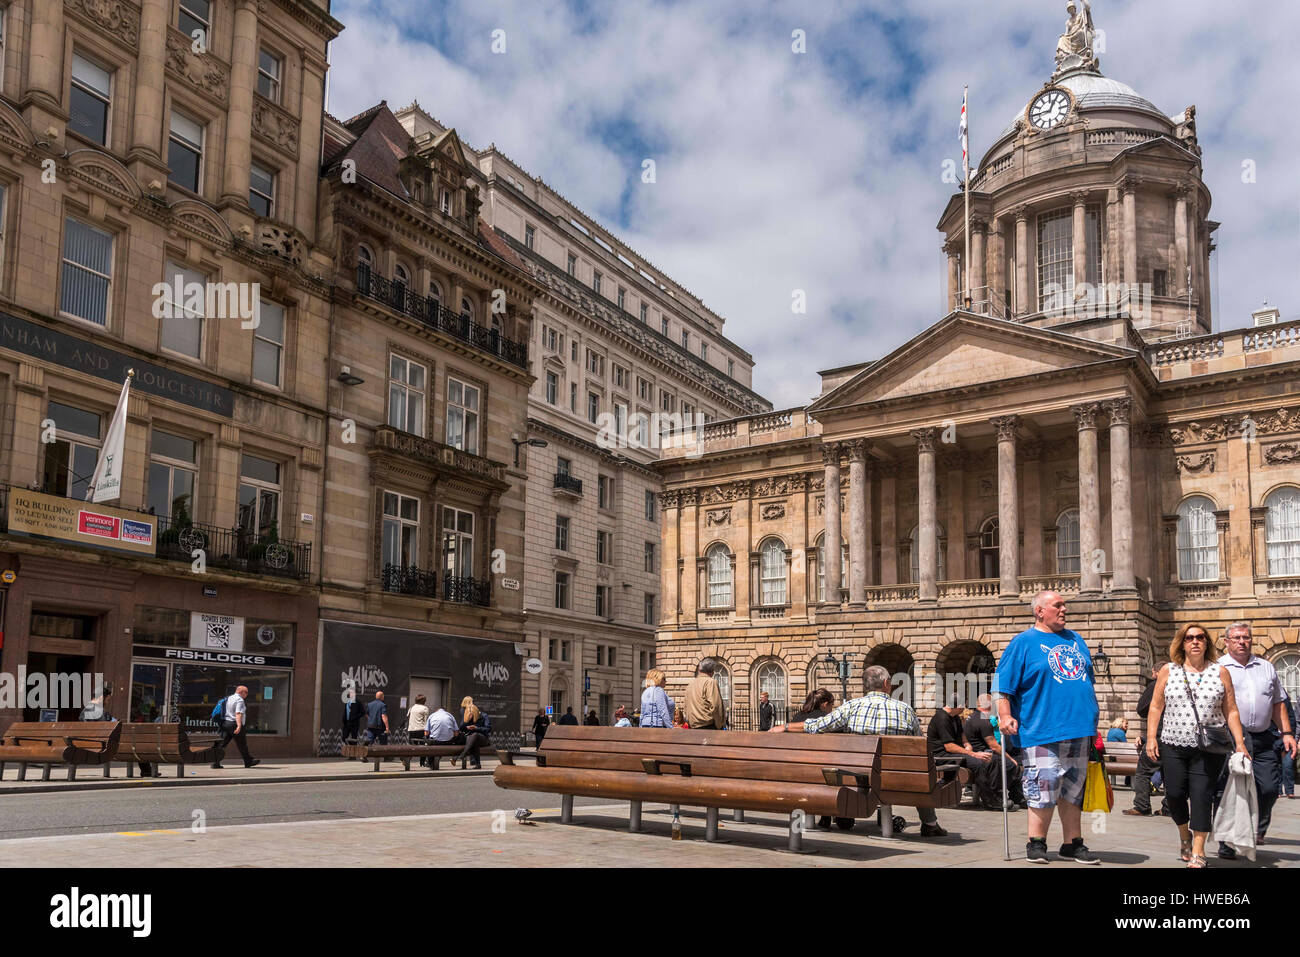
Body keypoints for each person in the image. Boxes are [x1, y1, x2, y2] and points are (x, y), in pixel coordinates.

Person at [773, 665, 948, 837]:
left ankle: (845, 816)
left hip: (859, 777)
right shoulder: (905, 710)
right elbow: (920, 746)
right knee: (920, 771)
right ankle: (930, 824)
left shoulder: (851, 707)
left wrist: (785, 726)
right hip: (898, 779)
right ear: (886, 683)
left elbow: (818, 725)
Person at [993, 590, 1100, 864]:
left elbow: (1085, 680)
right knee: (1044, 783)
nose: (1064, 609)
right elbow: (1002, 688)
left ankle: (1072, 843)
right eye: (1058, 605)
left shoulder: (1077, 640)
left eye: (1064, 605)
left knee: (1073, 788)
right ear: (1040, 611)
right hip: (1041, 729)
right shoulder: (1023, 643)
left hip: (1080, 728)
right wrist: (1005, 716)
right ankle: (1036, 842)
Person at [1145, 623, 1249, 868]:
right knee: (1174, 794)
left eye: (1200, 637)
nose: (1195, 641)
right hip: (1173, 743)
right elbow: (1156, 706)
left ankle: (1198, 851)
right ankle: (1184, 835)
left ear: (1207, 643)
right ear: (1182, 643)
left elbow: (1231, 710)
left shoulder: (1220, 671)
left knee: (1202, 796)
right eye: (1189, 638)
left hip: (1208, 747)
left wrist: (1241, 743)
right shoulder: (1169, 671)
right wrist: (1151, 737)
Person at [1214, 622, 1297, 859]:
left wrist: (1288, 733)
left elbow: (1277, 702)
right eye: (1237, 638)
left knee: (1270, 788)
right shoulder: (1218, 667)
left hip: (1262, 737)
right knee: (1228, 790)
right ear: (1226, 641)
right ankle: (1227, 841)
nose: (1242, 641)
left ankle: (1255, 828)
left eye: (1246, 637)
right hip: (1230, 737)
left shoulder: (1266, 667)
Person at [964, 693, 1026, 808]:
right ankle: (998, 798)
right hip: (984, 755)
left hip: (981, 754)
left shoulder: (973, 717)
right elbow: (994, 746)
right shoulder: (983, 721)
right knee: (1011, 765)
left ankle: (1015, 796)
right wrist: (1010, 758)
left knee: (1009, 764)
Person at [1126, 667, 1170, 817]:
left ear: (1157, 672)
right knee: (1170, 773)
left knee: (1143, 771)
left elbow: (1141, 708)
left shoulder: (1157, 684)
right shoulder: (1180, 681)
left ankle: (1141, 805)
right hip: (1175, 735)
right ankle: (1169, 808)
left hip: (1158, 734)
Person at [211, 686, 260, 769]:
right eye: (246, 692)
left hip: (226, 723)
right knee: (242, 744)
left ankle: (215, 762)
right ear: (242, 692)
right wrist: (239, 725)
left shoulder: (229, 698)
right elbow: (238, 713)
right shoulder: (240, 700)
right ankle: (248, 761)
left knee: (223, 744)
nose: (247, 695)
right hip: (234, 724)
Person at [684, 658, 726, 730]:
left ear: (699, 670)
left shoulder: (690, 685)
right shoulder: (710, 682)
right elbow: (716, 706)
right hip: (708, 726)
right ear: (712, 672)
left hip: (693, 727)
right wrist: (719, 725)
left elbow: (685, 708)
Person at [455, 696, 491, 769]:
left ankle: (462, 755)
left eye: (472, 714)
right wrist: (466, 722)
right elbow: (461, 728)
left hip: (484, 739)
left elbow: (488, 729)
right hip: (472, 739)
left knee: (475, 735)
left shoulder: (484, 716)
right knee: (473, 739)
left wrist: (476, 728)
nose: (471, 716)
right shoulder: (469, 717)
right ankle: (478, 764)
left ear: (476, 712)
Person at [1280, 693, 1298, 799]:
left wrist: (1293, 737)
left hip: (1288, 737)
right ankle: (1278, 790)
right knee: (1276, 765)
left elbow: (1293, 720)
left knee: (1288, 764)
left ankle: (1289, 790)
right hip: (1273, 737)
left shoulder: (1286, 702)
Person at [408, 694, 430, 766]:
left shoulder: (411, 708)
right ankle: (422, 763)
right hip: (421, 730)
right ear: (424, 701)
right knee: (423, 747)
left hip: (411, 730)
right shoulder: (425, 708)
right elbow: (426, 721)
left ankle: (406, 760)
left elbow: (408, 717)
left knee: (412, 747)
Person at [341, 688, 364, 753]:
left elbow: (363, 712)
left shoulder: (358, 702)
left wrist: (355, 717)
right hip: (346, 723)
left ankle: (353, 754)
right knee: (344, 737)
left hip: (354, 723)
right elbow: (345, 711)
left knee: (354, 738)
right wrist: (344, 719)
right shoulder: (347, 702)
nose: (351, 694)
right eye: (350, 693)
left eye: (352, 693)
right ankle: (350, 749)